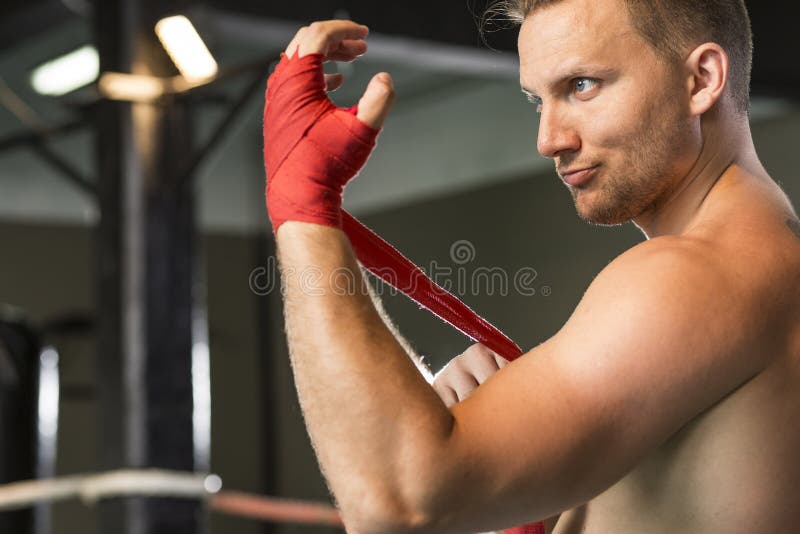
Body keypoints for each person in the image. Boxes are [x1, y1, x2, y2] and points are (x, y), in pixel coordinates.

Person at [262, 0, 800, 531]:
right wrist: (513, 491)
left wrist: (303, 209)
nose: (548, 140)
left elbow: (395, 502)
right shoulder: (763, 256)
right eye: (536, 100)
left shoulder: (694, 276)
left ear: (702, 79)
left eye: (582, 86)